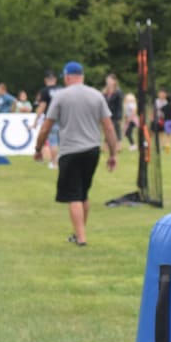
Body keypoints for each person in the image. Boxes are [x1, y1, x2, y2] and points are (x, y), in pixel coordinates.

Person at [34, 61, 120, 247]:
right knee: (83, 193)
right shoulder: (97, 95)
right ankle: (78, 232)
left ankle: (81, 238)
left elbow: (46, 126)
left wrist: (38, 148)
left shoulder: (60, 96)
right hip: (92, 150)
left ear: (66, 76)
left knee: (73, 194)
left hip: (70, 151)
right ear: (82, 76)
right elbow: (109, 128)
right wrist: (113, 154)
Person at [35, 70, 61, 169]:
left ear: (45, 80)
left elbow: (42, 106)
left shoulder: (44, 91)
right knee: (62, 141)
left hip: (51, 118)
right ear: (55, 79)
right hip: (63, 118)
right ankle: (61, 161)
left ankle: (54, 163)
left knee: (53, 140)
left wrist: (36, 121)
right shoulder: (62, 89)